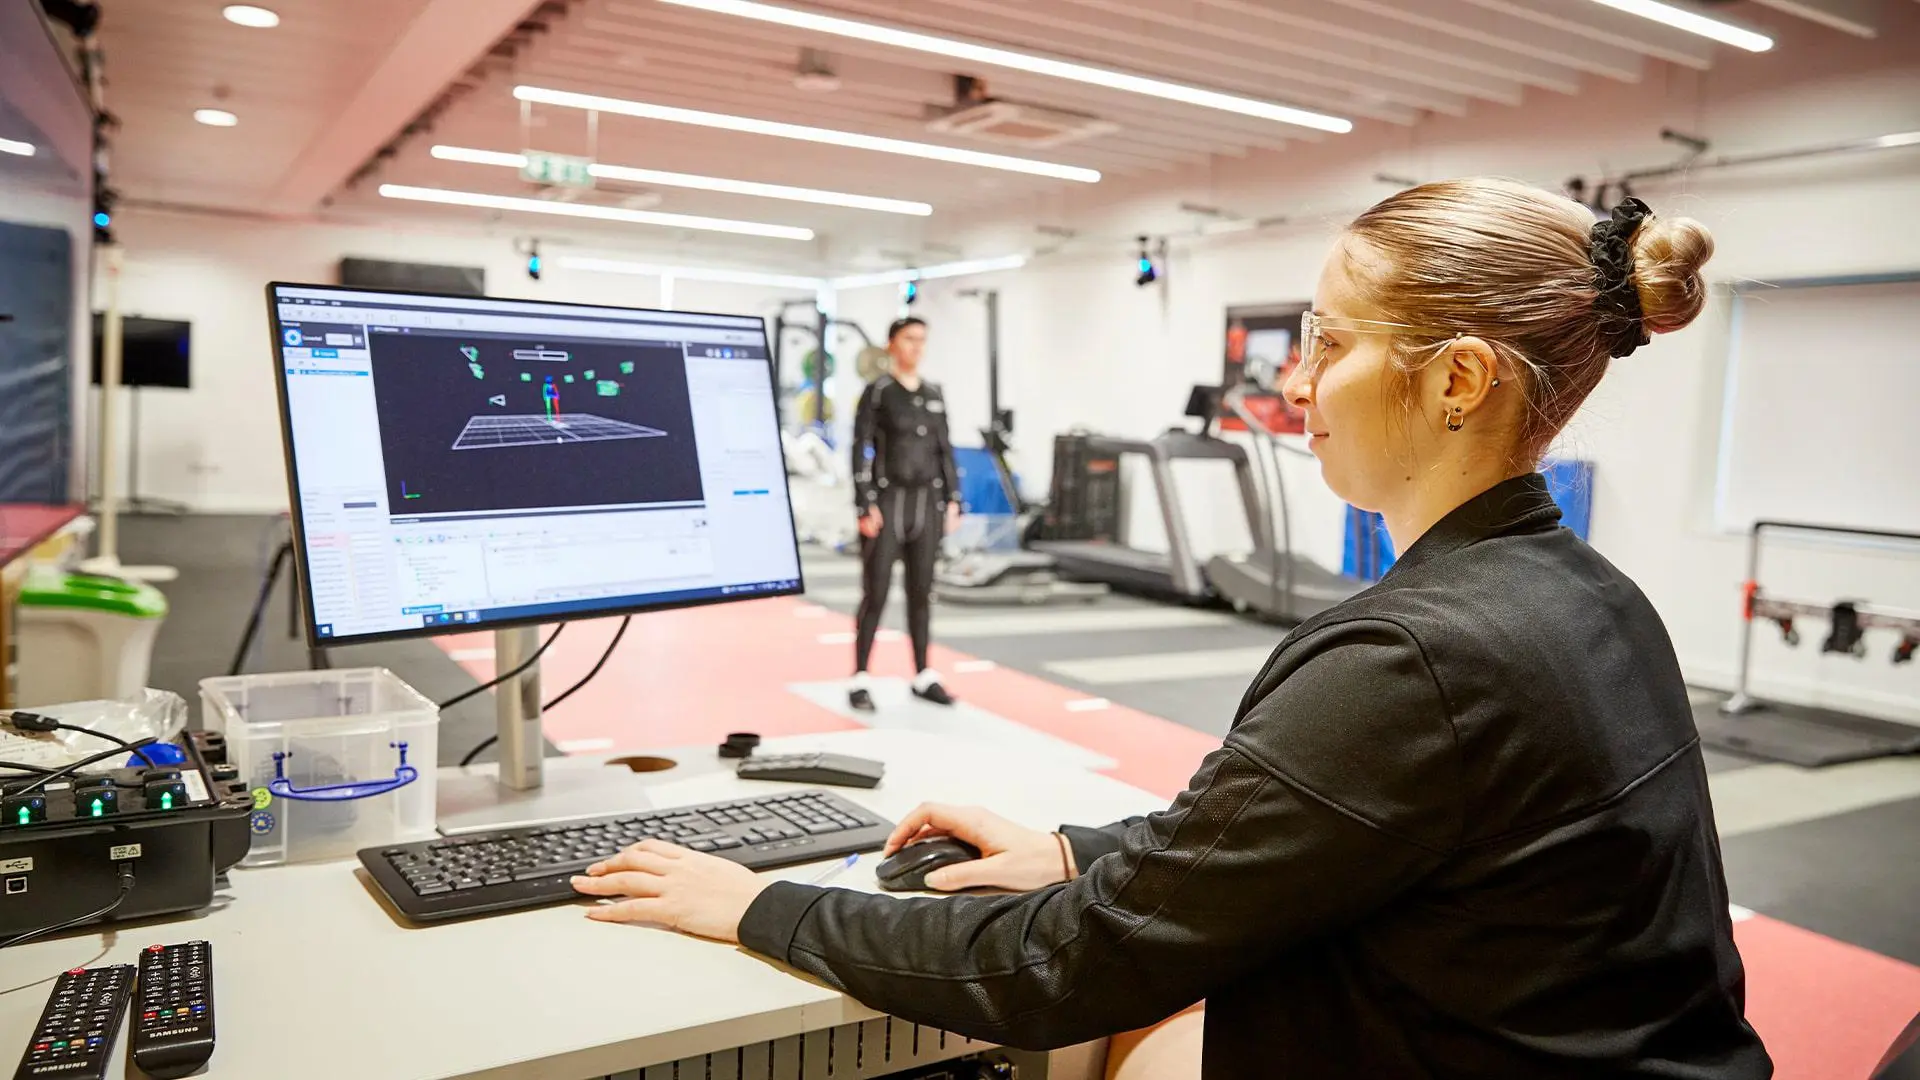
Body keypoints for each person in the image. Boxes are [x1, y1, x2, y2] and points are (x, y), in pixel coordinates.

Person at [568, 179, 1774, 1078]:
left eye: (1331, 345)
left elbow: (1059, 969)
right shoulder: (1592, 597)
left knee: (1126, 1027)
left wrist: (755, 906)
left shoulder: (1412, 657)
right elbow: (1319, 833)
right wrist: (1075, 848)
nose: (1296, 386)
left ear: (1460, 382)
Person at [845, 316, 961, 712]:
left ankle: (923, 673)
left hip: (926, 505)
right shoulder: (877, 393)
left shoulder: (934, 393)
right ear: (892, 344)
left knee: (921, 592)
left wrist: (954, 499)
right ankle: (859, 676)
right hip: (888, 502)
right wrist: (864, 503)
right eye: (909, 339)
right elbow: (860, 447)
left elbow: (945, 449)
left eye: (922, 340)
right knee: (875, 591)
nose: (917, 347)